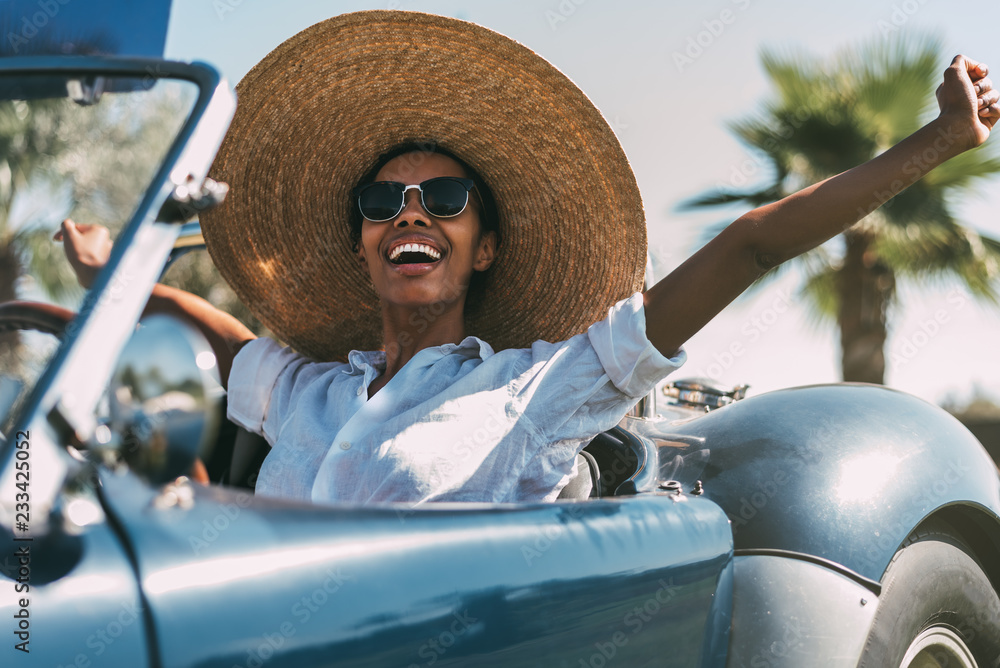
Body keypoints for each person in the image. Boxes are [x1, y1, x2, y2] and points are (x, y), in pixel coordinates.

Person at [60, 11, 998, 505]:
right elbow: (226, 345)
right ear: (363, 239)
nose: (409, 214)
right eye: (382, 202)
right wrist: (112, 279)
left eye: (445, 199)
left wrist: (935, 142)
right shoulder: (310, 393)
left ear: (485, 245)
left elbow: (748, 243)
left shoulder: (539, 390)